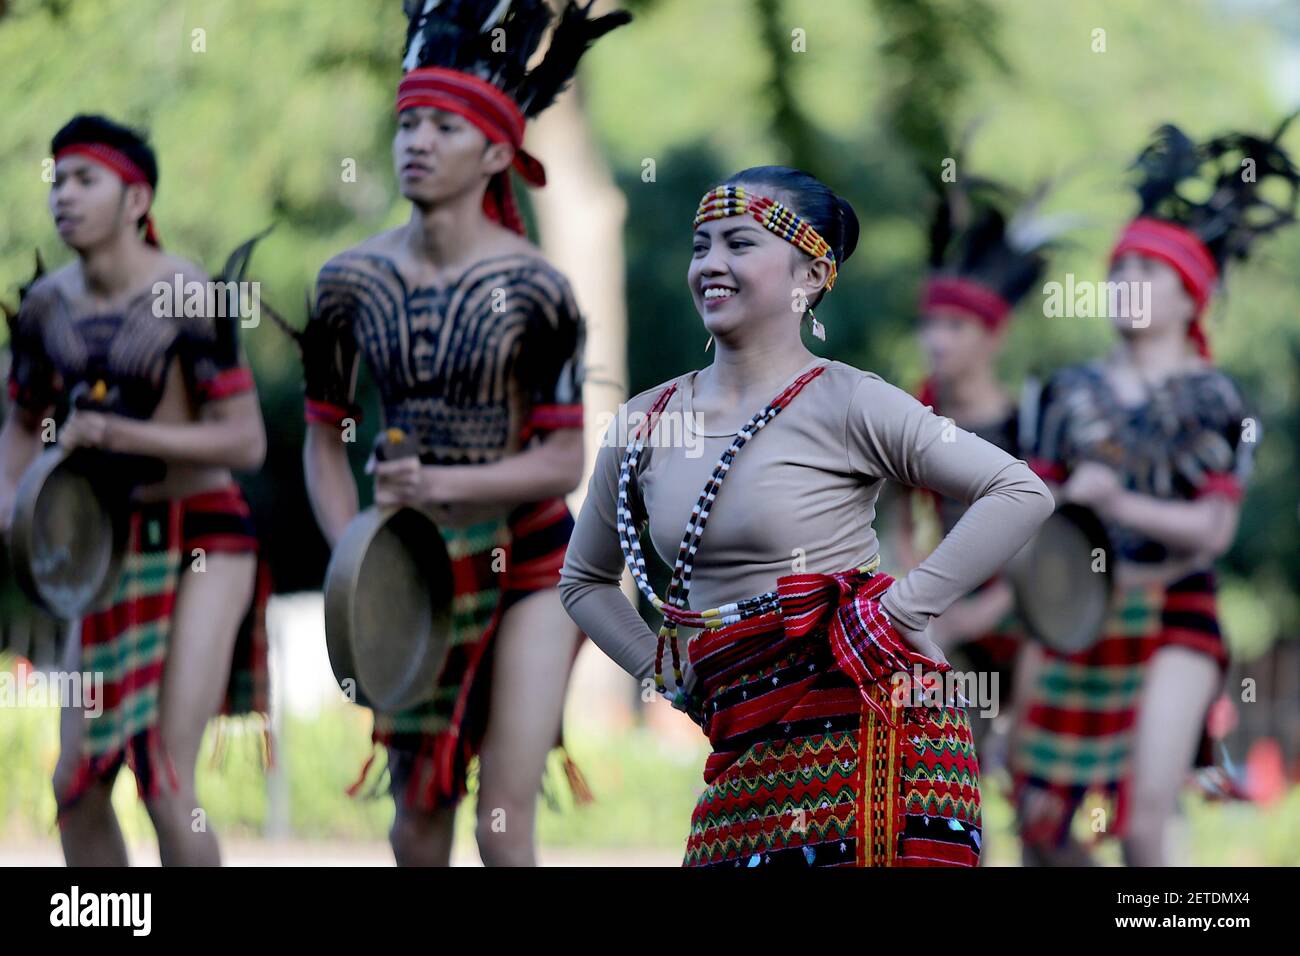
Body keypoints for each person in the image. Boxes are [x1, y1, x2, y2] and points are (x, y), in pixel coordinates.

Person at [559, 166, 1054, 867]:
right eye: (701, 247)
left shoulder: (849, 401)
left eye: (738, 243)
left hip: (882, 740)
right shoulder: (646, 422)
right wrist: (664, 671)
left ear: (811, 275)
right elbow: (583, 582)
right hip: (741, 745)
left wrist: (903, 610)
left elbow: (1020, 491)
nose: (711, 264)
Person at [293, 0, 630, 866]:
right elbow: (323, 439)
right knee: (416, 817)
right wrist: (354, 562)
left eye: (443, 126)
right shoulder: (346, 282)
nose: (416, 140)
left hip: (532, 558)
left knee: (501, 822)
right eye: (407, 121)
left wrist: (444, 488)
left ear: (493, 151)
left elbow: (563, 459)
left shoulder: (537, 289)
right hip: (407, 559)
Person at [1010, 120, 1298, 866]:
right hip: (1071, 609)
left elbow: (1214, 530)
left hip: (1174, 607)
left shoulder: (1216, 397)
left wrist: (1115, 502)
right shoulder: (1064, 393)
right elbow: (1030, 515)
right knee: (1040, 828)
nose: (1126, 285)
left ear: (1189, 296)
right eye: (1119, 268)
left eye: (1149, 272)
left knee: (1141, 827)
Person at [0, 114, 269, 866]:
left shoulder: (189, 293)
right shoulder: (45, 306)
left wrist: (126, 437)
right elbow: (21, 425)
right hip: (102, 546)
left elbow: (245, 441)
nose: (65, 195)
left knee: (165, 775)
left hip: (206, 538)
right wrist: (11, 500)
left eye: (86, 179)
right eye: (58, 179)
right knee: (74, 783)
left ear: (135, 198)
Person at [897, 171, 1063, 783]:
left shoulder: (1032, 428)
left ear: (995, 335)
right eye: (930, 325)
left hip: (1027, 619)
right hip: (946, 617)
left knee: (1032, 799)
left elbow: (1048, 543)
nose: (936, 341)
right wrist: (925, 589)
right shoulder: (915, 417)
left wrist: (987, 608)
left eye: (955, 327)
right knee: (945, 783)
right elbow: (899, 513)